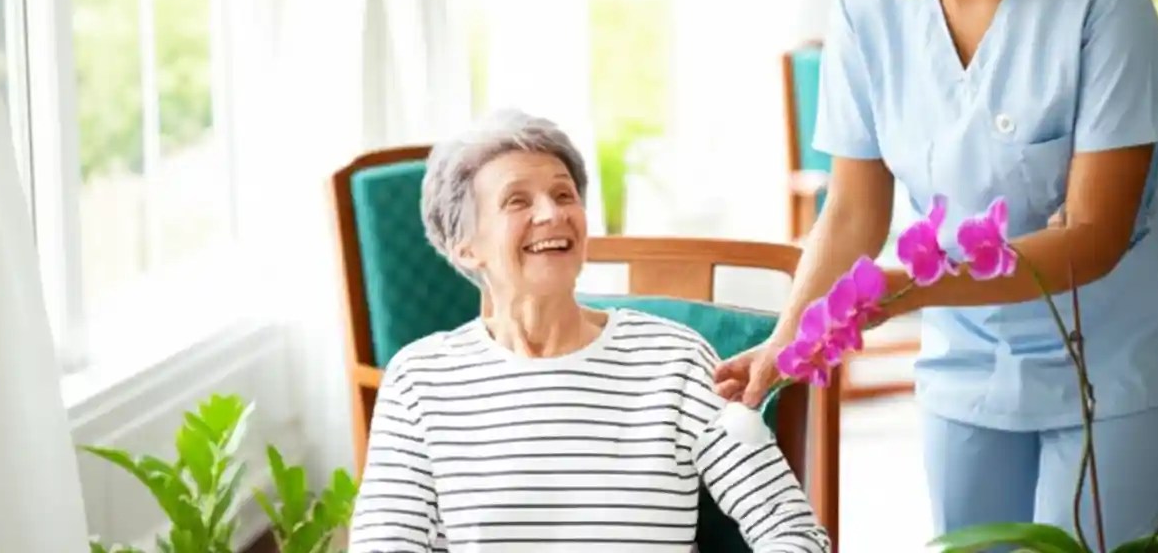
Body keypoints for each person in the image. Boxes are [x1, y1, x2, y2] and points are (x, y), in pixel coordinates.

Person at [713, 0, 1158, 546]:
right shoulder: (865, 9)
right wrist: (787, 338)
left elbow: (1094, 236)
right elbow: (852, 209)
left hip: (1113, 360)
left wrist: (906, 288)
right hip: (967, 360)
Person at [348, 109, 832, 552]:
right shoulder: (419, 380)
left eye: (564, 194)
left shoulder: (676, 361)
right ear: (465, 247)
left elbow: (791, 532)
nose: (553, 213)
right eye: (517, 201)